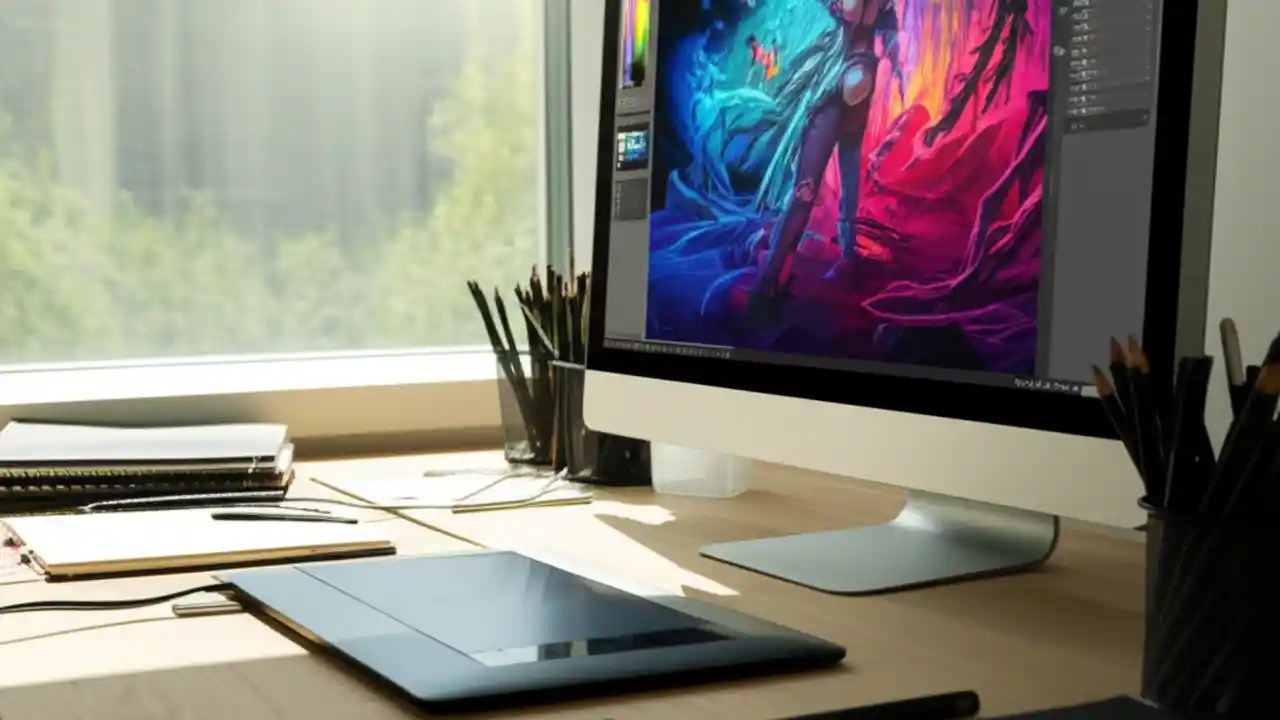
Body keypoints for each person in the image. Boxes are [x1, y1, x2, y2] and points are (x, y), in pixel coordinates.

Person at [753, 0, 902, 300]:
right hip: (838, 90)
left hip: (850, 94)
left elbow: (888, 42)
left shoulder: (881, 9)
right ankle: (773, 279)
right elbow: (885, 42)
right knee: (810, 191)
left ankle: (832, 266)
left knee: (837, 187)